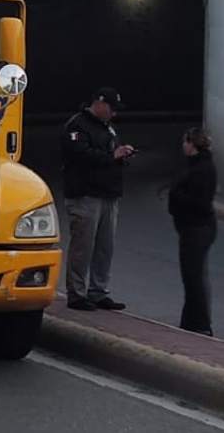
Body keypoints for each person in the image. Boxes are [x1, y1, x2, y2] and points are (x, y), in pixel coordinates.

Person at [62, 87, 134, 311]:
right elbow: (80, 155)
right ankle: (77, 293)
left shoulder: (107, 128)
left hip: (108, 194)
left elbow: (108, 152)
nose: (114, 114)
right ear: (99, 103)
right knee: (83, 246)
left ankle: (98, 290)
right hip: (85, 194)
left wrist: (121, 155)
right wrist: (112, 156)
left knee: (105, 246)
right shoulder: (77, 125)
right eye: (111, 108)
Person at [167, 127, 217, 336]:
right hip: (192, 227)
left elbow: (201, 202)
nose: (182, 146)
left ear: (191, 144)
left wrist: (177, 197)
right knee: (192, 276)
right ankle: (190, 321)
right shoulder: (196, 166)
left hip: (197, 228)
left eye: (185, 142)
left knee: (194, 276)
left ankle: (201, 324)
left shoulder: (202, 169)